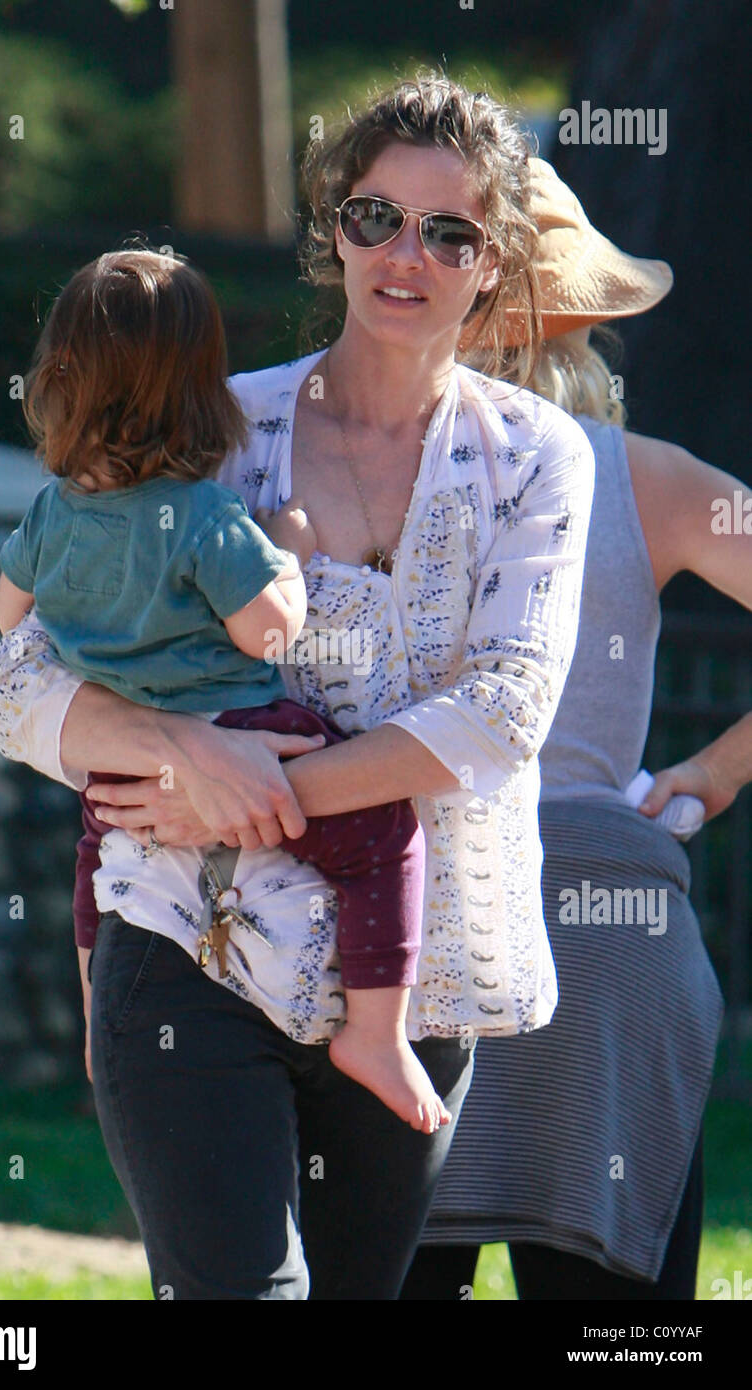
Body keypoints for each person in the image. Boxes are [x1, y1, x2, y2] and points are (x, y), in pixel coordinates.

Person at [0, 79, 594, 1301]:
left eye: (449, 231)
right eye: (375, 217)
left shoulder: (538, 455)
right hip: (184, 939)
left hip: (418, 981)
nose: (403, 255)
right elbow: (21, 677)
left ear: (494, 262)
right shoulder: (214, 425)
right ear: (335, 233)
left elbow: (505, 709)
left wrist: (265, 788)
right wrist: (180, 750)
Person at [400, 158, 752, 1300]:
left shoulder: (359, 463)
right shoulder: (652, 480)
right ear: (587, 323)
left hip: (407, 931)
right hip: (607, 940)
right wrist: (714, 771)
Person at [0, 247, 446, 1132]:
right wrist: (290, 547)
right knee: (385, 834)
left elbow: (13, 615)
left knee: (97, 875)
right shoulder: (204, 514)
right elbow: (268, 629)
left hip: (119, 768)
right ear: (199, 390)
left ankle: (99, 1027)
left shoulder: (49, 511)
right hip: (240, 724)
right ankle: (376, 1031)